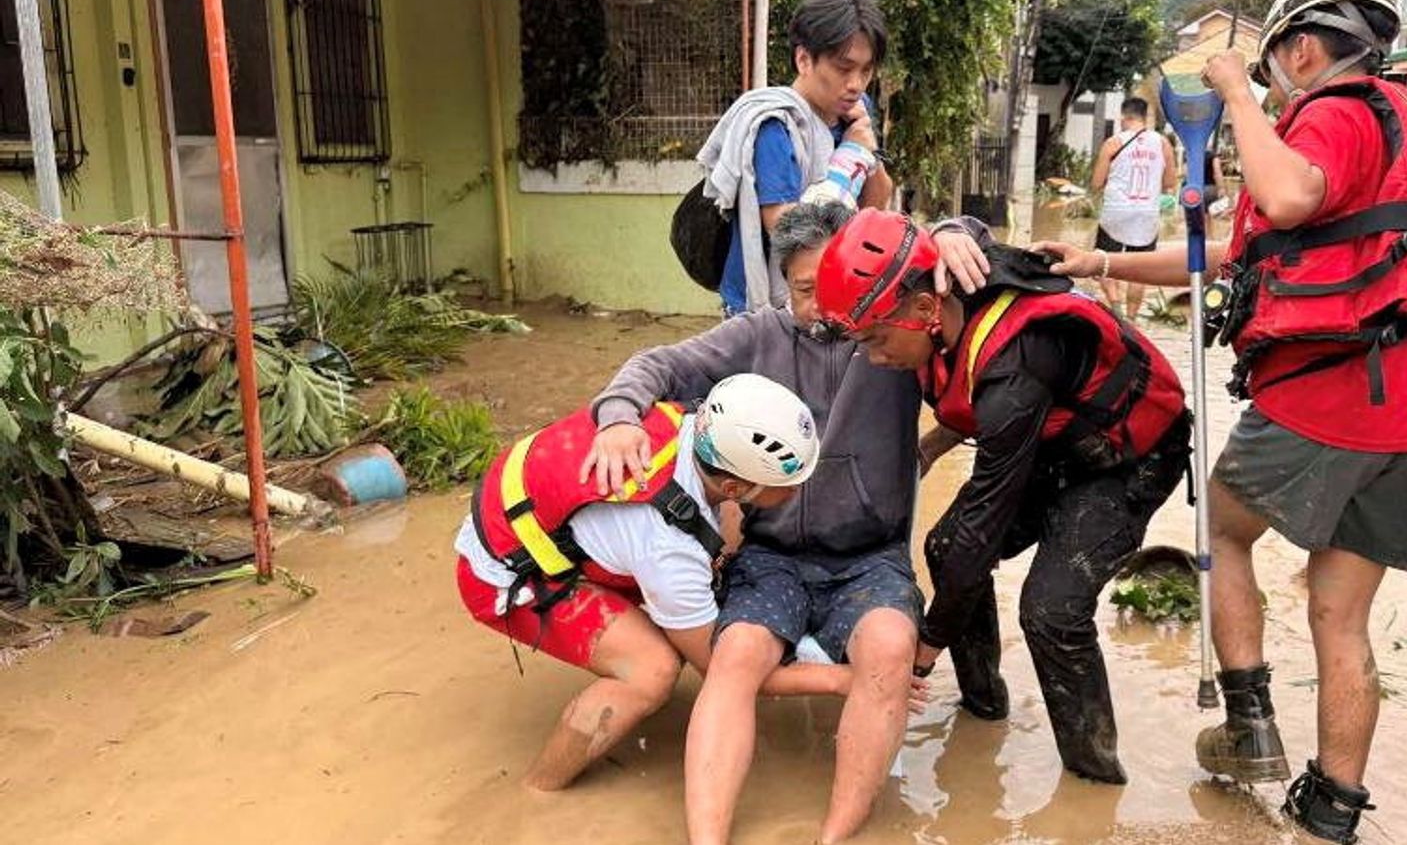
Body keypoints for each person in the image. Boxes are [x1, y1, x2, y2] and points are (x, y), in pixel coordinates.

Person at [1036, 0, 1407, 844]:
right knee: (1340, 613)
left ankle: (1249, 725)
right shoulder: (1401, 138)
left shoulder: (1338, 114)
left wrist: (1235, 90)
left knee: (1222, 527)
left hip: (1334, 394)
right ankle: (1330, 812)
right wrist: (1101, 264)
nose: (1268, 78)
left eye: (1271, 61)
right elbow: (1226, 264)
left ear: (1302, 49)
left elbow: (1285, 198)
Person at [582, 202, 986, 843]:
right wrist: (620, 416)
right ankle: (707, 839)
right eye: (807, 290)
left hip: (870, 556)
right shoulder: (754, 337)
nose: (829, 307)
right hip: (770, 556)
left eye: (838, 288)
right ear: (782, 285)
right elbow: (658, 366)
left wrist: (953, 233)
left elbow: (962, 275)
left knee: (887, 651)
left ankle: (835, 835)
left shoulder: (889, 334)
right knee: (734, 656)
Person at [812, 208, 1192, 785]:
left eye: (877, 339)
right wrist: (937, 443)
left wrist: (927, 645)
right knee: (943, 548)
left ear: (922, 311)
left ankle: (1092, 784)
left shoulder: (1016, 363)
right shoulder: (951, 282)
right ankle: (983, 707)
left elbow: (985, 526)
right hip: (1055, 440)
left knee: (1050, 611)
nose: (874, 357)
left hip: (1128, 458)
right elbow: (967, 235)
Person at [456, 373, 844, 792]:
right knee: (652, 669)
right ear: (732, 484)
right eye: (788, 487)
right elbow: (723, 670)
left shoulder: (693, 422)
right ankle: (540, 789)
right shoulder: (667, 547)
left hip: (532, 518)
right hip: (502, 575)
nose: (797, 492)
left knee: (728, 535)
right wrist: (839, 679)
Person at [697, 0, 895, 315]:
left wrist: (865, 152)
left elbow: (875, 205)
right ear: (804, 59)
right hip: (768, 306)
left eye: (866, 70)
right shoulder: (776, 126)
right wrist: (849, 159)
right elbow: (789, 231)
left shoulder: (856, 111)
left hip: (832, 293)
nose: (856, 84)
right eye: (844, 68)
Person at [1090, 97, 1176, 321]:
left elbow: (1097, 183)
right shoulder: (1163, 143)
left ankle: (1116, 307)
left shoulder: (1113, 143)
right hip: (1147, 213)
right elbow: (1170, 182)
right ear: (1145, 116)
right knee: (1140, 269)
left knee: (1106, 263)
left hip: (1115, 213)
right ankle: (1132, 320)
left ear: (1124, 117)